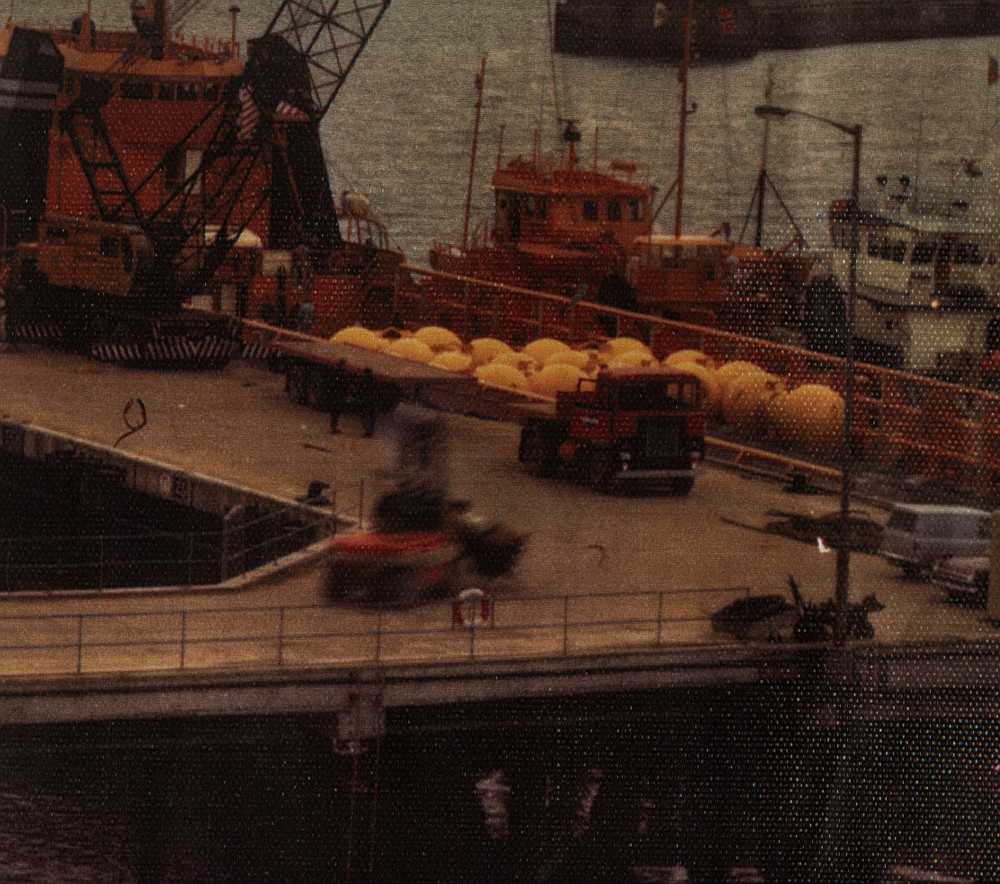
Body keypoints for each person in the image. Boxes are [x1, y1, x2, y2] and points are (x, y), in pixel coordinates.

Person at [328, 359, 349, 434]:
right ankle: (334, 427)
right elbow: (345, 385)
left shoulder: (334, 372)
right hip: (339, 395)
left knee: (334, 412)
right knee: (336, 412)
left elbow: (330, 384)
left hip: (334, 395)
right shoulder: (343, 374)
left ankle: (333, 427)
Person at [359, 368, 378, 438]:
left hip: (366, 400)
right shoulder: (374, 380)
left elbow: (360, 390)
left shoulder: (364, 380)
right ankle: (371, 431)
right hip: (373, 400)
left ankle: (367, 431)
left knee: (366, 415)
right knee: (372, 416)